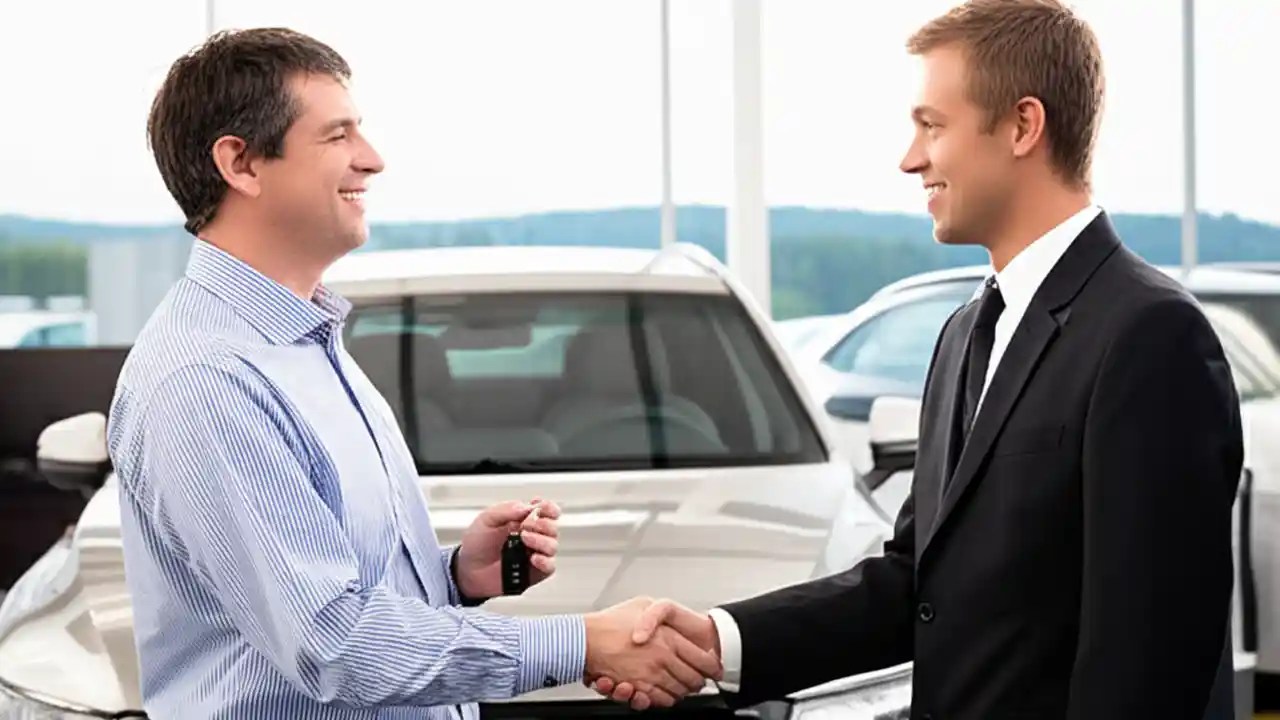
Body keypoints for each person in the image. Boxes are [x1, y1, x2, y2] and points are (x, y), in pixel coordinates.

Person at [592, 1, 1245, 717]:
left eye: (932, 125)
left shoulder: (1151, 337)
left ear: (1024, 126)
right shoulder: (964, 333)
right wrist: (720, 640)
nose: (910, 158)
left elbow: (1149, 669)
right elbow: (919, 587)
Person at [106, 28, 720, 719]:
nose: (372, 161)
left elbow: (330, 594)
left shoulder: (305, 344)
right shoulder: (206, 381)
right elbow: (335, 645)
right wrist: (583, 642)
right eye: (337, 137)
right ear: (241, 164)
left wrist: (451, 576)